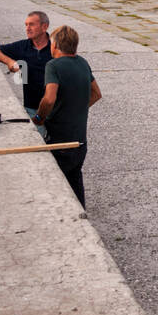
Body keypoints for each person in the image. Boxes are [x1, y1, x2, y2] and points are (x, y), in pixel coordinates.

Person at [35, 25, 101, 208]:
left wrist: (39, 118)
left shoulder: (53, 66)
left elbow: (49, 99)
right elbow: (96, 94)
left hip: (60, 140)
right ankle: (81, 214)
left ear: (54, 45)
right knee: (75, 178)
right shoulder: (83, 63)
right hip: (80, 141)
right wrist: (76, 108)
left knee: (55, 183)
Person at [0, 11, 53, 137]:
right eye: (26, 25)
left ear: (45, 26)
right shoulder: (23, 46)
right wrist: (9, 61)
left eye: (32, 24)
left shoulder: (55, 47)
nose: (27, 28)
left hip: (54, 107)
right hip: (32, 108)